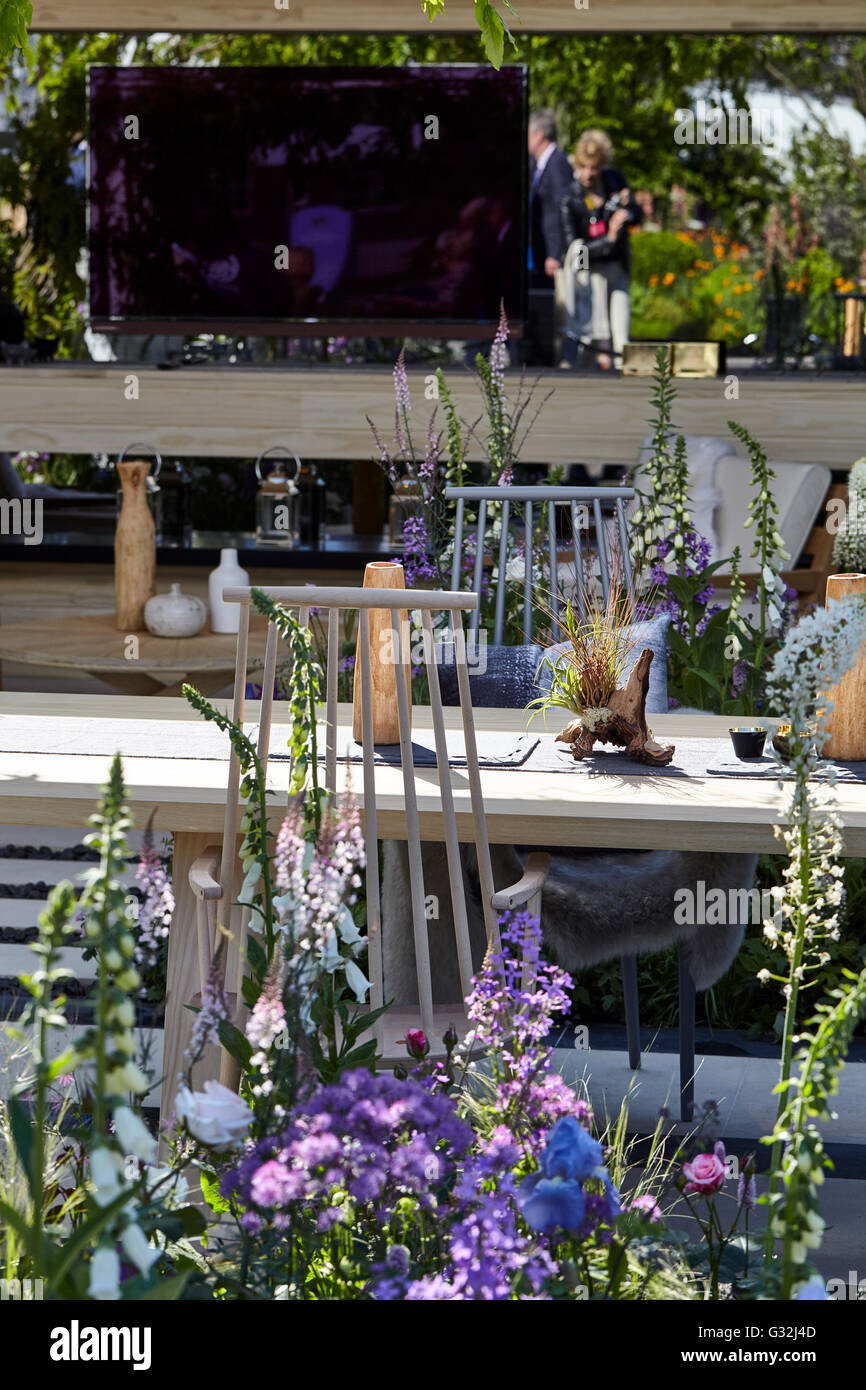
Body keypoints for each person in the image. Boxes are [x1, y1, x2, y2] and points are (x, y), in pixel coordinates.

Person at [559, 129, 642, 370]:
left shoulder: (615, 181)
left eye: (594, 168)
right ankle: (582, 386)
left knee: (621, 338)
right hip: (589, 273)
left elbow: (637, 215)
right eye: (584, 167)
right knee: (589, 339)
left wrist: (627, 210)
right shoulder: (570, 197)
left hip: (616, 268)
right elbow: (574, 250)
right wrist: (609, 238)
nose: (588, 174)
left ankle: (625, 392)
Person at [525, 109, 574, 365]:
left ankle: (550, 360)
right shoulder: (538, 165)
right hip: (538, 251)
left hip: (549, 254)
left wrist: (554, 253)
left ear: (539, 134)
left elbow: (558, 211)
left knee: (549, 308)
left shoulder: (557, 164)